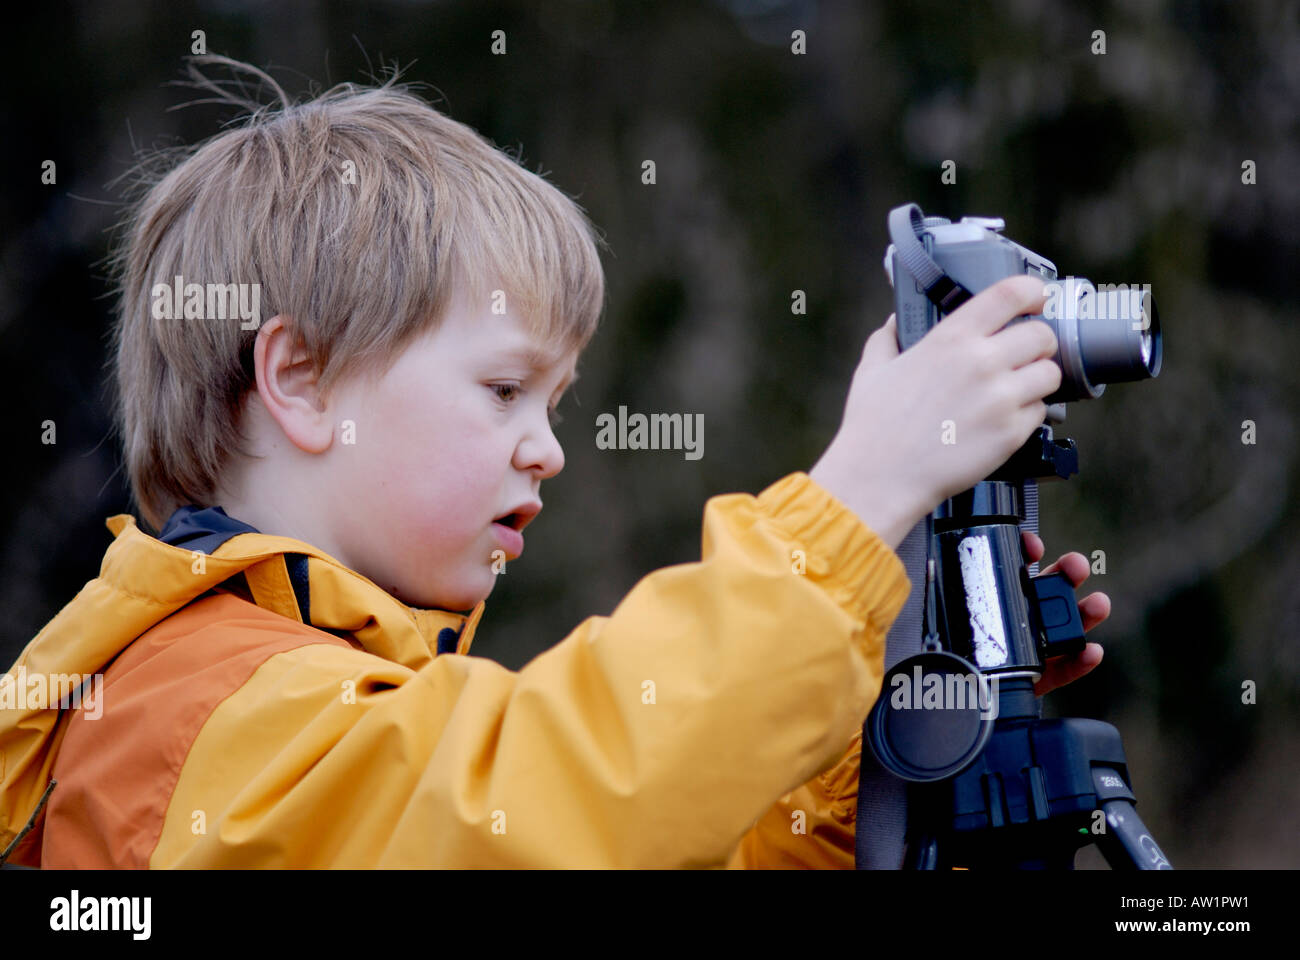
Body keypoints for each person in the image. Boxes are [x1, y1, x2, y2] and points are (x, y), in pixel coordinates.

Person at [0, 57, 1108, 868]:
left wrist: (871, 760)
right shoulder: (189, 717)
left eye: (556, 401)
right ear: (299, 381)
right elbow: (557, 804)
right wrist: (854, 501)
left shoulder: (356, 706)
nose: (549, 449)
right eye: (501, 391)